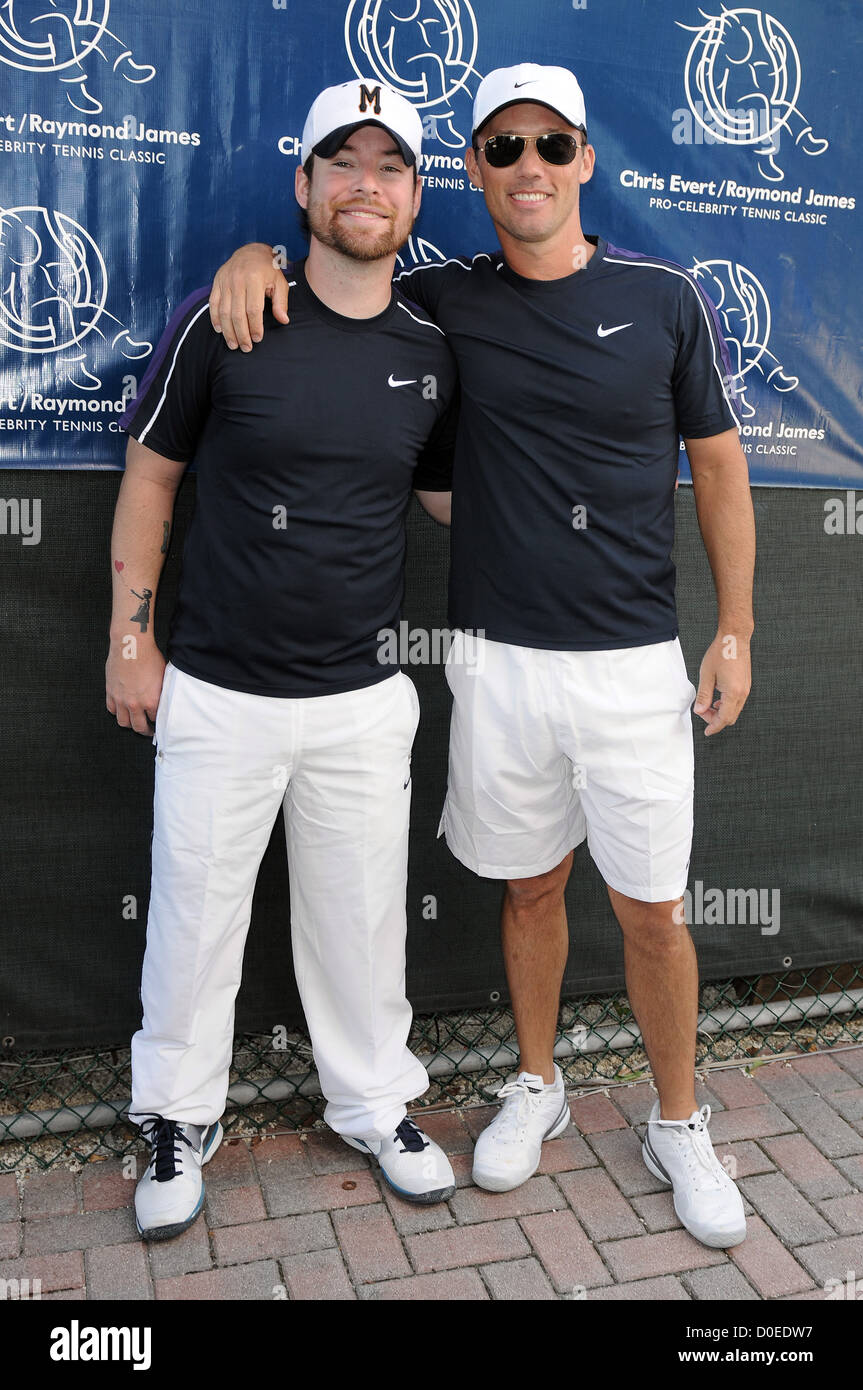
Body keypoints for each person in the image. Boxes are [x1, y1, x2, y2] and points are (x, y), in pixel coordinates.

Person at [208, 63, 755, 1249]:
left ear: (584, 160)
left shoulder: (665, 297)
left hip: (631, 665)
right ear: (472, 171)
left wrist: (735, 628)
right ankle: (537, 1081)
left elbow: (717, 465)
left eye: (549, 147)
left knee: (653, 912)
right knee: (530, 887)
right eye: (500, 150)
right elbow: (336, 271)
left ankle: (675, 1118)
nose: (526, 169)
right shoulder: (446, 298)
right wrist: (251, 255)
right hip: (499, 659)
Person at [105, 78, 460, 1240]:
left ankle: (372, 1103)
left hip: (362, 702)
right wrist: (132, 637)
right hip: (215, 688)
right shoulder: (231, 314)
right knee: (195, 920)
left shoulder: (432, 347)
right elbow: (152, 478)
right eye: (342, 164)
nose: (367, 184)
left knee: (362, 925)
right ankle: (172, 1115)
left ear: (413, 194)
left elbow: (453, 500)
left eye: (390, 167)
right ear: (303, 185)